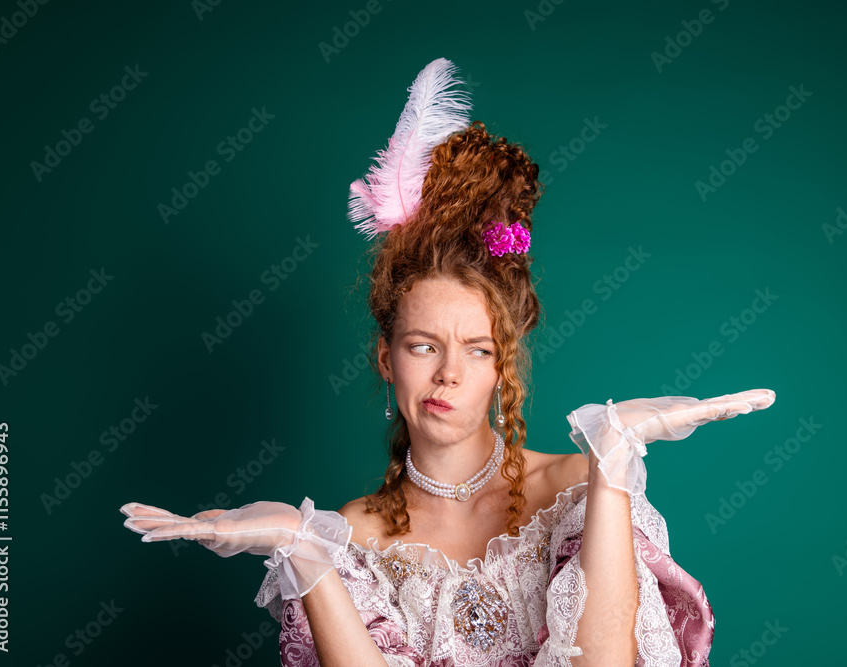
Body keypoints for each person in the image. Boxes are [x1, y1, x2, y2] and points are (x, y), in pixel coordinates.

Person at [120, 58, 775, 666]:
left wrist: (612, 464)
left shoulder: (575, 492)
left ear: (502, 365)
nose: (448, 374)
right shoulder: (353, 535)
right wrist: (306, 548)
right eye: (423, 345)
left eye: (478, 349)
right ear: (386, 357)